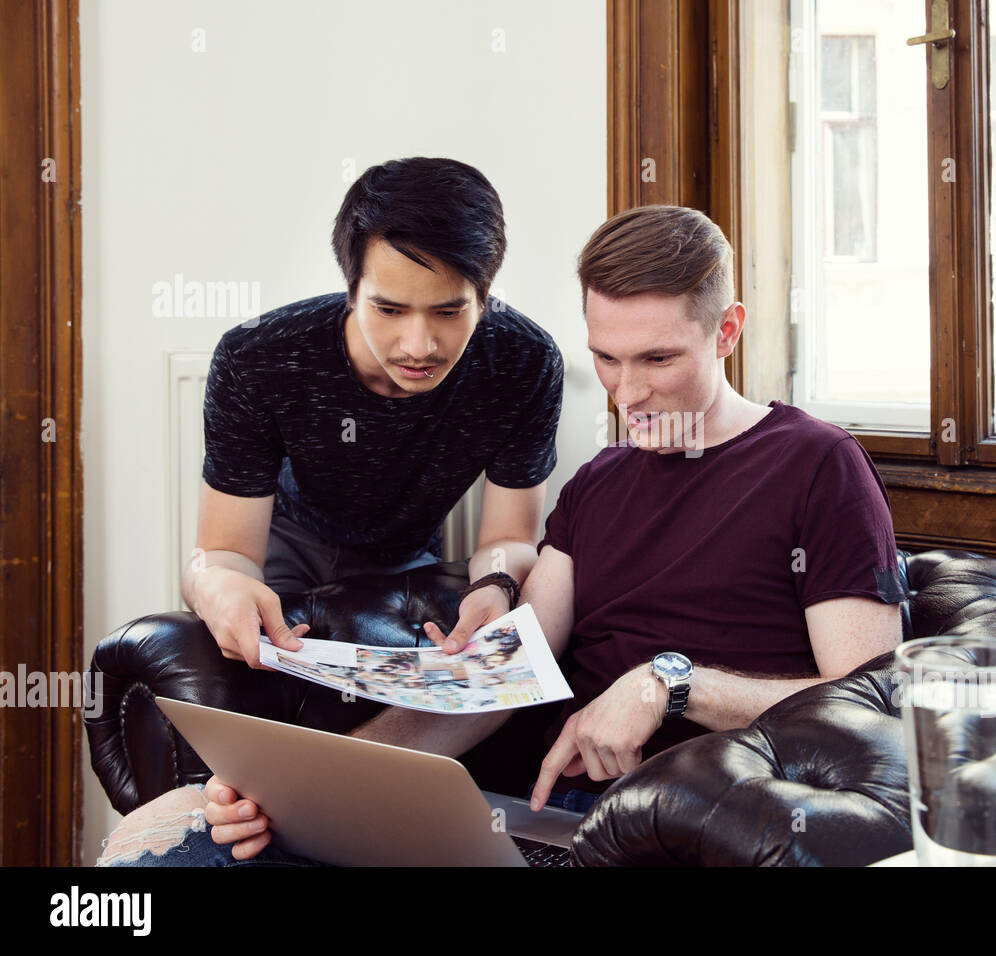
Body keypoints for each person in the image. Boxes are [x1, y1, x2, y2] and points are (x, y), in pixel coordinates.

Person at [97, 204, 903, 867]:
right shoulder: (599, 484)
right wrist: (316, 789)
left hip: (702, 827)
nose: (629, 395)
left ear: (727, 331)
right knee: (198, 853)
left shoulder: (815, 464)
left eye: (658, 358)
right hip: (536, 816)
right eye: (607, 360)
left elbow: (872, 706)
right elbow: (503, 677)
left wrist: (672, 683)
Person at [187, 155, 563, 674]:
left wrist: (496, 585)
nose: (419, 345)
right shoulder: (257, 356)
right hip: (283, 539)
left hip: (408, 557)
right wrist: (220, 587)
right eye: (388, 310)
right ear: (351, 291)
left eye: (449, 311)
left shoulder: (525, 362)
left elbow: (508, 540)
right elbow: (220, 556)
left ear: (484, 296)